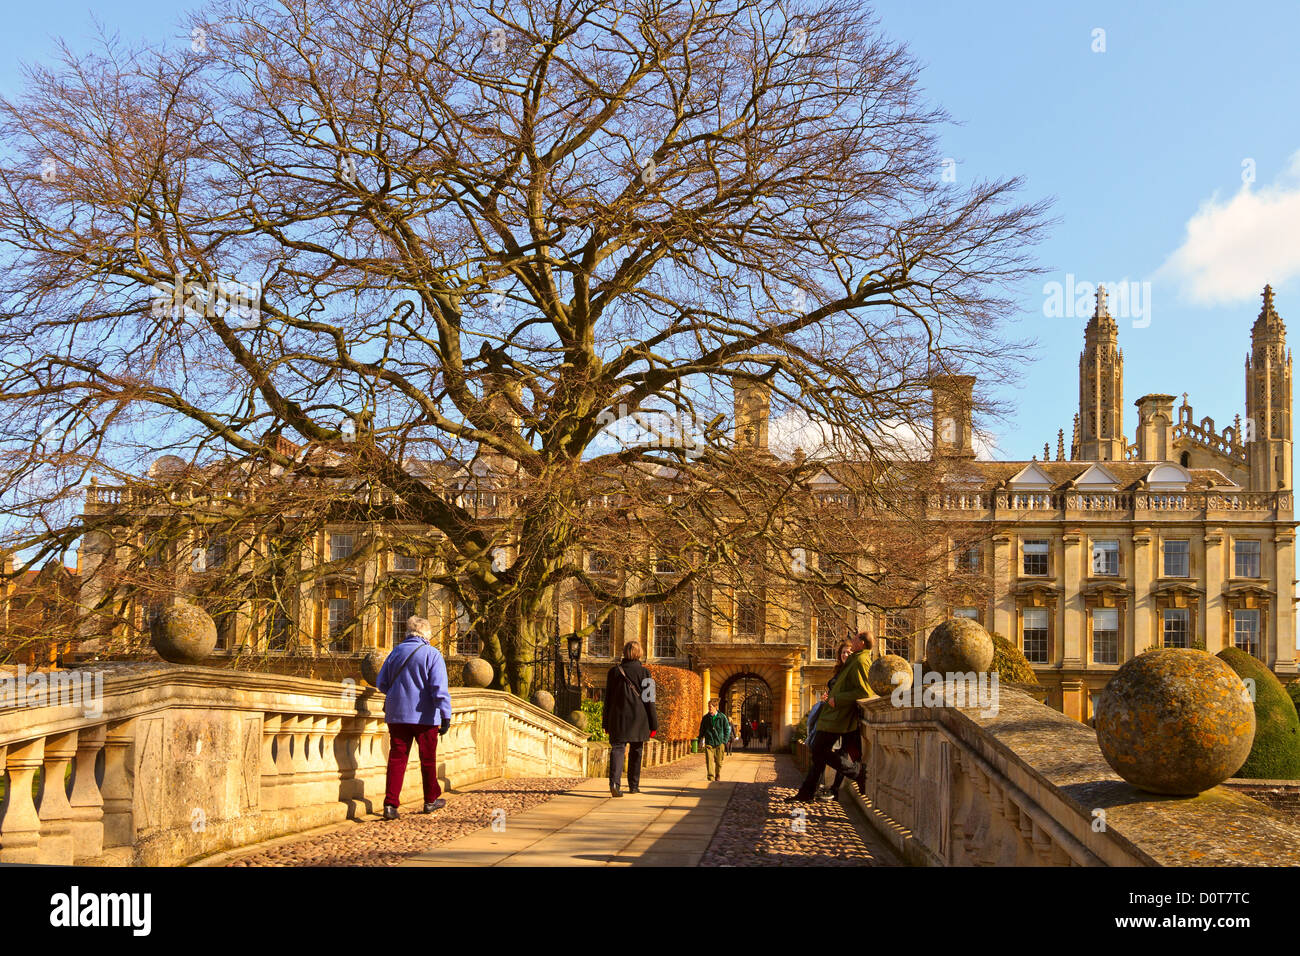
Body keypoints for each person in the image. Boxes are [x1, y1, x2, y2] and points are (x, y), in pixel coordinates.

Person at [375, 615, 453, 819]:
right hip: (424, 716)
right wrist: (446, 715)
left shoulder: (395, 652)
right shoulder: (432, 654)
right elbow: (439, 689)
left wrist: (400, 694)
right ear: (426, 634)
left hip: (397, 714)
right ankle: (430, 800)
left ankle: (390, 804)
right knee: (427, 759)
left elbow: (381, 683)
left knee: (397, 758)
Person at [787, 630, 873, 803]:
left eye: (855, 639)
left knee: (818, 749)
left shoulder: (861, 660)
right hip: (833, 715)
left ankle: (856, 773)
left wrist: (837, 699)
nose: (852, 641)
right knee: (819, 755)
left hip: (840, 716)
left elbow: (865, 691)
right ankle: (806, 793)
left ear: (862, 642)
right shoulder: (855, 659)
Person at [602, 640, 659, 797]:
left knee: (617, 749)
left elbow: (608, 700)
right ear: (639, 653)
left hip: (618, 717)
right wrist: (653, 724)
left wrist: (605, 722)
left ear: (625, 652)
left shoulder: (614, 672)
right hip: (639, 718)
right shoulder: (645, 673)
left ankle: (614, 783)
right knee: (636, 750)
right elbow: (649, 700)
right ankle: (633, 785)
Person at [697, 697, 732, 781]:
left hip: (720, 743)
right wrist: (700, 740)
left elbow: (727, 729)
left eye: (710, 707)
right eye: (708, 707)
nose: (709, 708)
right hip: (709, 742)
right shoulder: (705, 718)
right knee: (709, 761)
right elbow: (702, 730)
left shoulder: (722, 717)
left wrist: (724, 741)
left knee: (719, 762)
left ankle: (717, 774)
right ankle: (710, 777)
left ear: (716, 707)